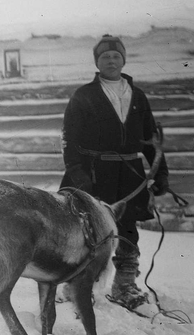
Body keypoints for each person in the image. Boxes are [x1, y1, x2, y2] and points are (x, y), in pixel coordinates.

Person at [60, 34, 169, 310]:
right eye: (105, 57)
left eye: (116, 56)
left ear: (123, 60)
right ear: (97, 62)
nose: (111, 60)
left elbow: (150, 139)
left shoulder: (138, 96)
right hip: (95, 172)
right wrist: (76, 172)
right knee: (89, 230)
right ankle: (76, 283)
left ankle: (125, 285)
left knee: (128, 227)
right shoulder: (84, 95)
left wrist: (161, 173)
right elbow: (69, 139)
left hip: (129, 173)